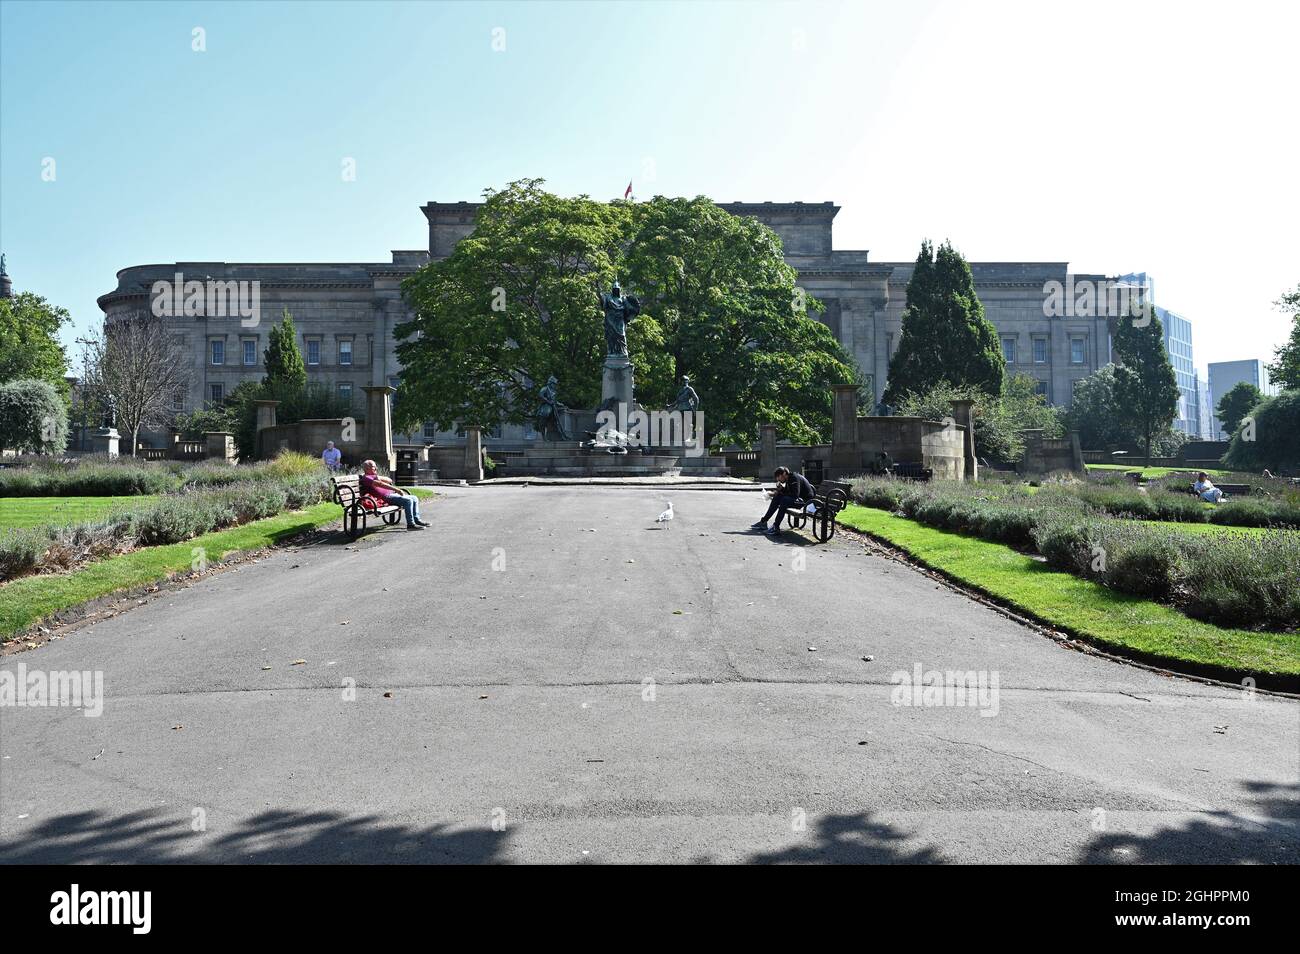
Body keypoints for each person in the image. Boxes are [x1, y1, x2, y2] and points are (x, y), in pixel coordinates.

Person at [360, 459, 428, 530]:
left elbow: (390, 480)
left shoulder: (373, 476)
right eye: (374, 466)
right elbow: (380, 484)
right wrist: (397, 490)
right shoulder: (367, 478)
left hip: (391, 495)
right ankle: (410, 524)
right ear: (367, 468)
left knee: (414, 498)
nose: (376, 468)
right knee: (408, 501)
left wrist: (377, 477)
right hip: (386, 498)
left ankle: (417, 520)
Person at [753, 466, 815, 535]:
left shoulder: (794, 478)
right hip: (799, 500)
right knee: (777, 497)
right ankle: (764, 521)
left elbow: (795, 494)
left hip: (807, 503)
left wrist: (782, 491)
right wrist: (779, 490)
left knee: (784, 500)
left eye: (778, 476)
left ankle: (776, 527)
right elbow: (790, 493)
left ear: (784, 473)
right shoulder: (789, 479)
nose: (778, 479)